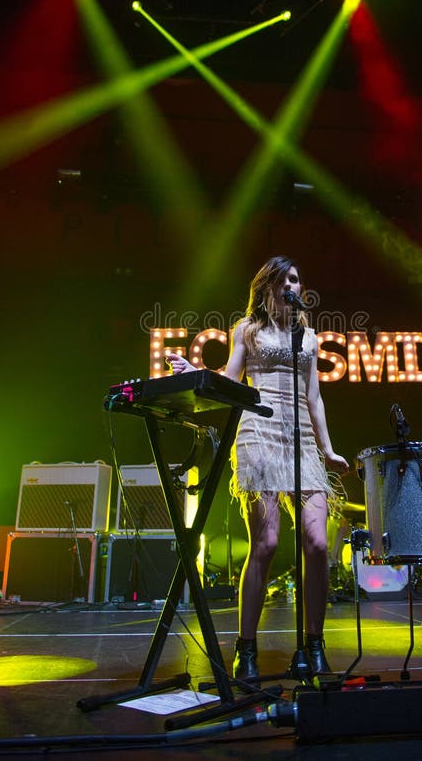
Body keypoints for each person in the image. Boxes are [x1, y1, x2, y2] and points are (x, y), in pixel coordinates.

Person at [167, 255, 348, 680]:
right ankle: (246, 647)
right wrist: (199, 374)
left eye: (298, 278)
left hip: (302, 438)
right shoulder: (247, 330)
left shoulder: (309, 338)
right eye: (286, 278)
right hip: (259, 436)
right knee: (265, 544)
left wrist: (328, 448)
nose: (294, 284)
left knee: (318, 543)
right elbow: (232, 379)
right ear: (268, 286)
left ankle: (314, 643)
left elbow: (315, 397)